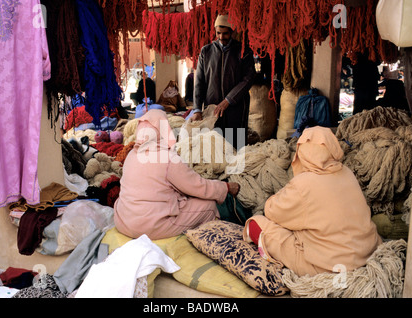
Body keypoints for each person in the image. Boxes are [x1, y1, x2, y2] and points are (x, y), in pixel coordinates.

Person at [243, 126, 382, 277]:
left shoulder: (304, 183)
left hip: (328, 267)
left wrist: (280, 194)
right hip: (366, 253)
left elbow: (272, 212)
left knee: (255, 223)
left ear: (302, 152)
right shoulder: (347, 173)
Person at [114, 109, 240, 240]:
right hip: (149, 227)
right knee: (209, 207)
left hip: (123, 221)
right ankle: (208, 240)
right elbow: (198, 186)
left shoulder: (131, 155)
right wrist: (225, 187)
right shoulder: (168, 159)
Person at [189, 15, 256, 150]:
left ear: (232, 32)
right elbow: (199, 82)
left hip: (236, 108)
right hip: (212, 109)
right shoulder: (206, 52)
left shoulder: (243, 51)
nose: (221, 37)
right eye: (218, 33)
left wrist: (228, 100)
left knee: (235, 148)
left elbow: (248, 78)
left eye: (225, 33)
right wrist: (197, 109)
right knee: (214, 149)